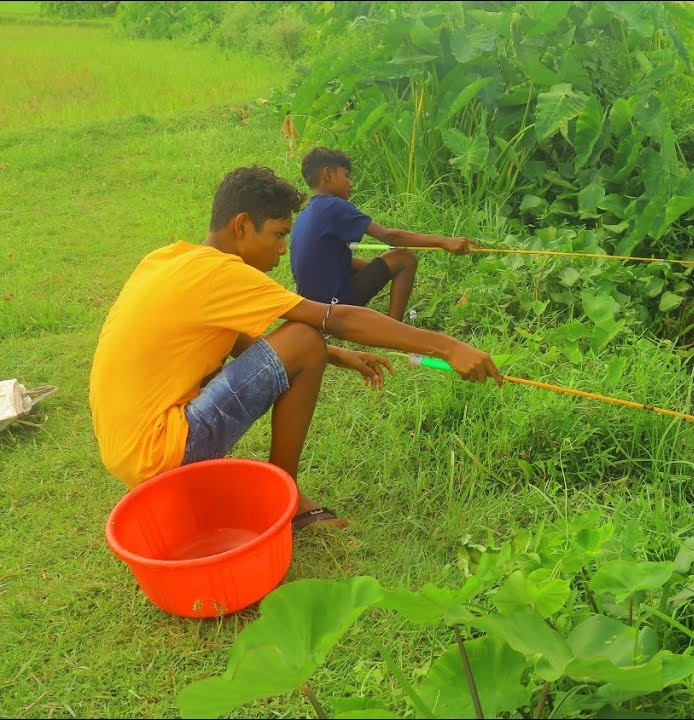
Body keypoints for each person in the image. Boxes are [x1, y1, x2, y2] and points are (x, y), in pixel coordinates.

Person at [89, 166, 502, 530]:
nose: (283, 250)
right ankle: (285, 500)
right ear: (242, 225)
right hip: (164, 451)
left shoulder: (170, 258)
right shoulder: (223, 273)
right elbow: (335, 318)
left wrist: (336, 355)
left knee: (309, 344)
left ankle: (244, 492)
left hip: (127, 453)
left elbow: (231, 336)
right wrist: (448, 347)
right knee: (305, 337)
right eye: (278, 235)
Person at [290, 146, 478, 322]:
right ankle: (393, 327)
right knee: (404, 258)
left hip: (311, 310)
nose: (351, 184)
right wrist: (444, 242)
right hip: (332, 309)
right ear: (328, 175)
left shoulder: (308, 212)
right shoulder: (333, 205)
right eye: (346, 176)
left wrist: (374, 270)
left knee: (361, 263)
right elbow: (390, 237)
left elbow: (327, 260)